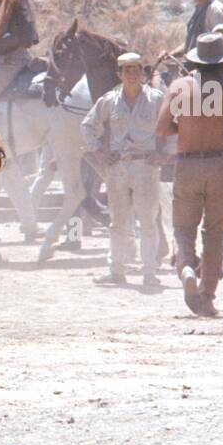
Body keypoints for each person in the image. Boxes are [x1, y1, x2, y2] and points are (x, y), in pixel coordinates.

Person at [156, 31, 223, 316]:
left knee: (184, 229)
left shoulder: (179, 86)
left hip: (187, 163)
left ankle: (186, 266)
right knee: (214, 232)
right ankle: (207, 296)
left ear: (196, 61)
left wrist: (182, 128)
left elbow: (161, 128)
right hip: (220, 164)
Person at [81, 51, 166, 287]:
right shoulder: (108, 101)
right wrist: (98, 151)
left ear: (142, 72)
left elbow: (174, 126)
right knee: (118, 222)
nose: (132, 74)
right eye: (126, 70)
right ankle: (116, 270)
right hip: (117, 167)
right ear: (119, 74)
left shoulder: (157, 99)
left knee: (148, 220)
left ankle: (149, 271)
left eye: (136, 69)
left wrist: (164, 154)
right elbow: (87, 127)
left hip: (145, 166)